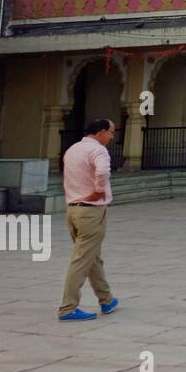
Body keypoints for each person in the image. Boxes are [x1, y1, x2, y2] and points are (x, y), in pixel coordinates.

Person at [58, 119, 119, 322]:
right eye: (111, 132)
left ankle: (106, 299)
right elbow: (102, 172)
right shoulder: (98, 151)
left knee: (92, 256)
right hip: (91, 211)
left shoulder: (73, 149)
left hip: (73, 210)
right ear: (101, 132)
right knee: (82, 259)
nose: (112, 136)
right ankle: (68, 307)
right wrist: (98, 191)